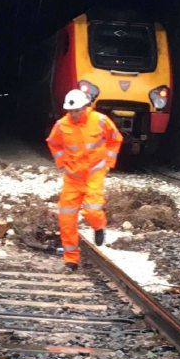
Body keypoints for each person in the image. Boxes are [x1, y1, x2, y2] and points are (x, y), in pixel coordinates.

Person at [45, 88, 123, 271]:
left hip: (94, 175)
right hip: (72, 178)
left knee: (92, 210)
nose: (73, 114)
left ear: (85, 107)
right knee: (66, 220)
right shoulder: (61, 125)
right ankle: (71, 260)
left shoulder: (100, 121)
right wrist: (61, 163)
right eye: (70, 111)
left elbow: (115, 139)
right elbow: (53, 143)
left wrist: (108, 162)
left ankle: (98, 227)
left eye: (77, 110)